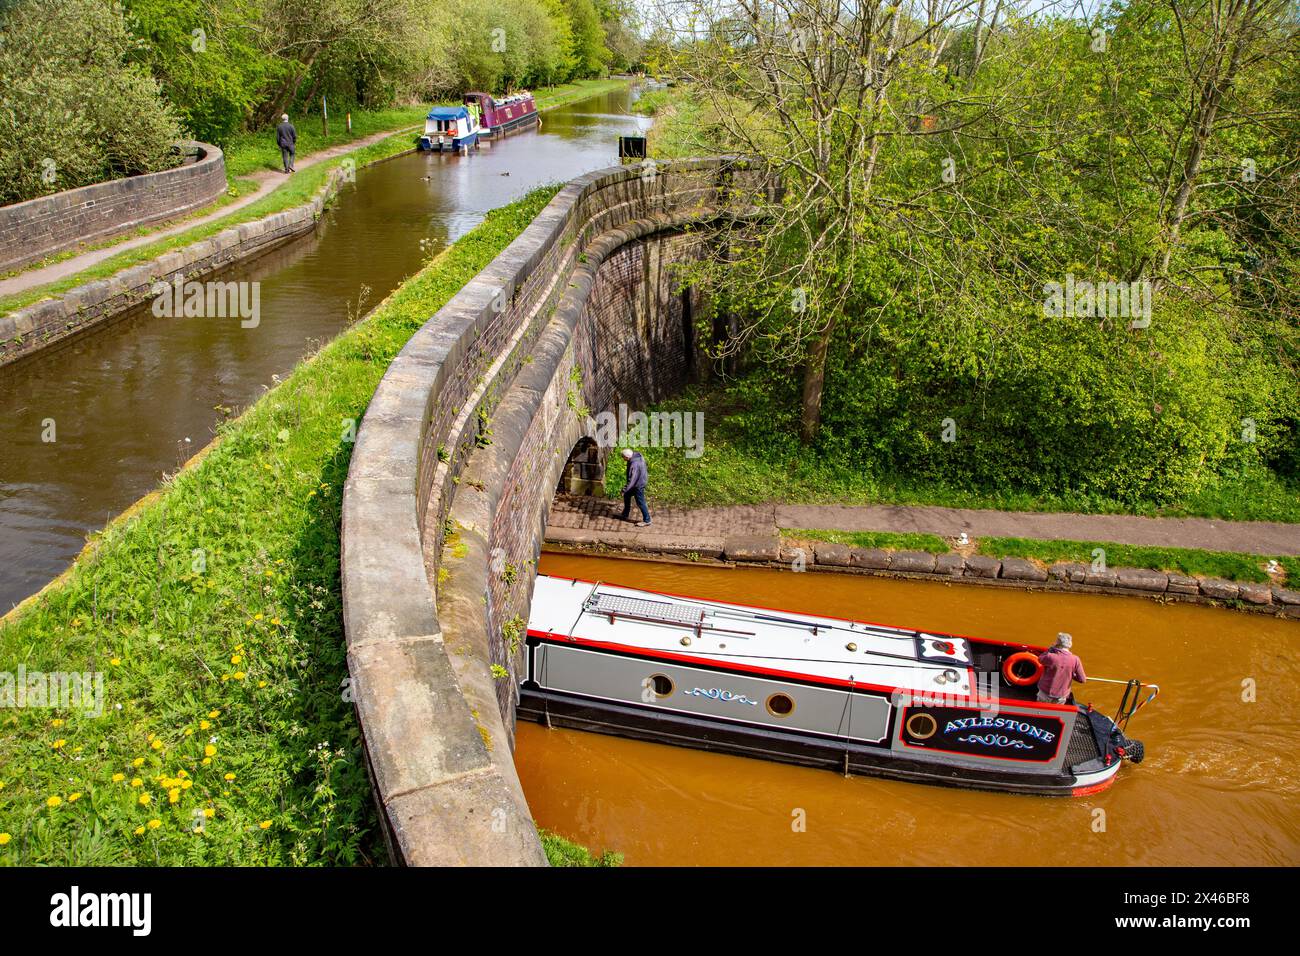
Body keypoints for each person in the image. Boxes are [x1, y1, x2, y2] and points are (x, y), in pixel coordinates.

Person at [1036, 632, 1086, 704]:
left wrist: (1050, 649)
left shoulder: (1050, 656)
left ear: (1057, 643)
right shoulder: (1076, 659)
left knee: (1040, 711)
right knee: (1056, 713)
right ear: (1070, 644)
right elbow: (1082, 680)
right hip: (1061, 695)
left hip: (1045, 692)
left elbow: (1040, 659)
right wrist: (1072, 674)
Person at [618, 447, 650, 526]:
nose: (623, 459)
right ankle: (625, 514)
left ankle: (647, 520)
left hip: (638, 485)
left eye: (623, 457)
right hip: (640, 480)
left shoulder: (634, 465)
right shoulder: (637, 455)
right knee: (627, 495)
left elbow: (632, 480)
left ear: (627, 457)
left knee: (640, 502)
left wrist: (624, 489)